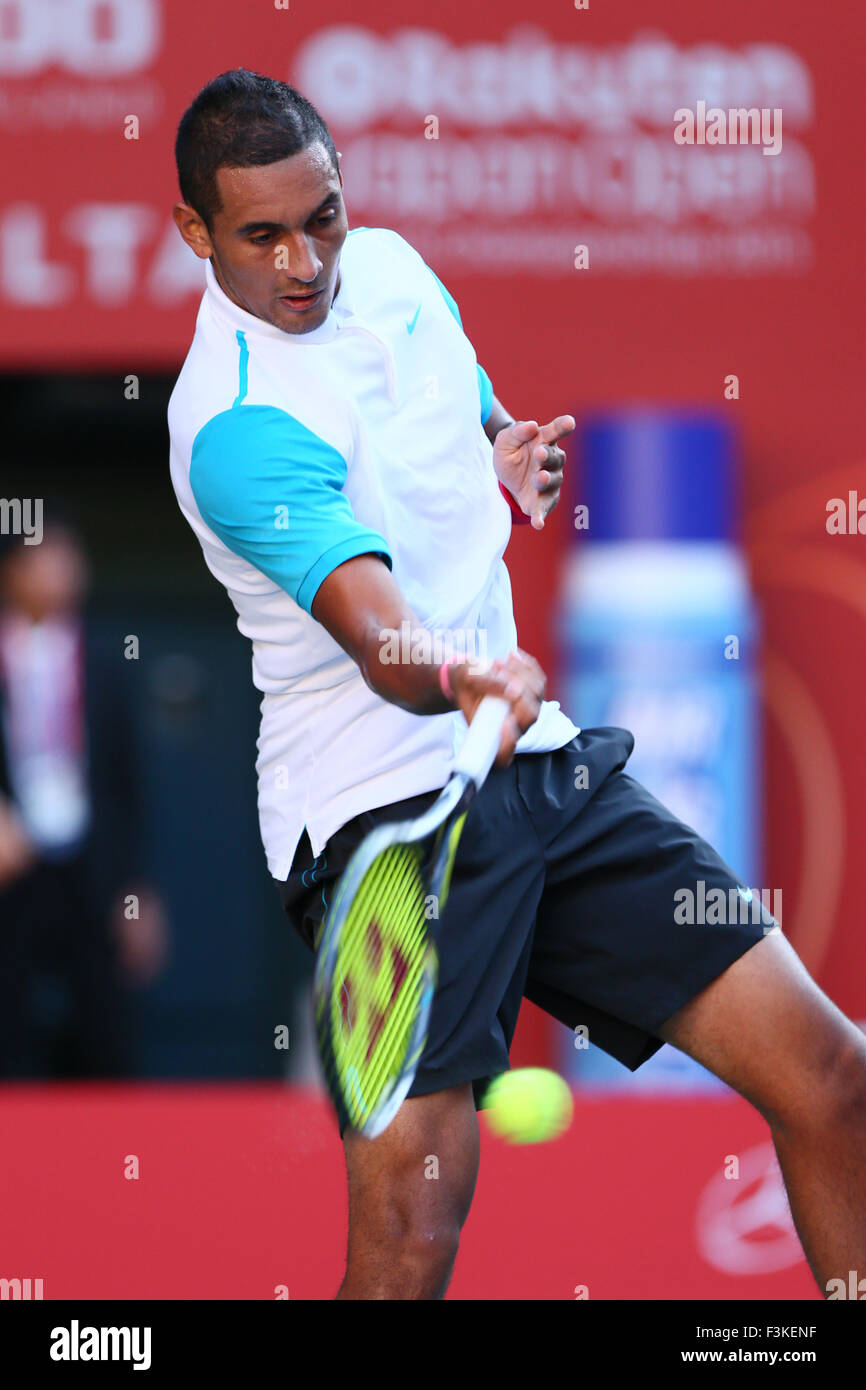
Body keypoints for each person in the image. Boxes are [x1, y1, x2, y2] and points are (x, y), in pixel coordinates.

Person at [167, 68, 866, 1300]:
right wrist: (463, 663)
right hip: (383, 827)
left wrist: (500, 441)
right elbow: (384, 643)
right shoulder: (235, 429)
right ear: (195, 234)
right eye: (260, 234)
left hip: (531, 764)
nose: (303, 259)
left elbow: (441, 397)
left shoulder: (386, 268)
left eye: (319, 215)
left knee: (829, 1076)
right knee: (411, 1226)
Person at [0, 522, 167, 1077]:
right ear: (13, 572)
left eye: (70, 557)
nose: (64, 572)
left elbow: (130, 783)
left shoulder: (105, 657)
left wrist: (137, 892)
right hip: (11, 863)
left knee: (105, 1026)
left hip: (92, 865)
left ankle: (115, 1159)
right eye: (47, 558)